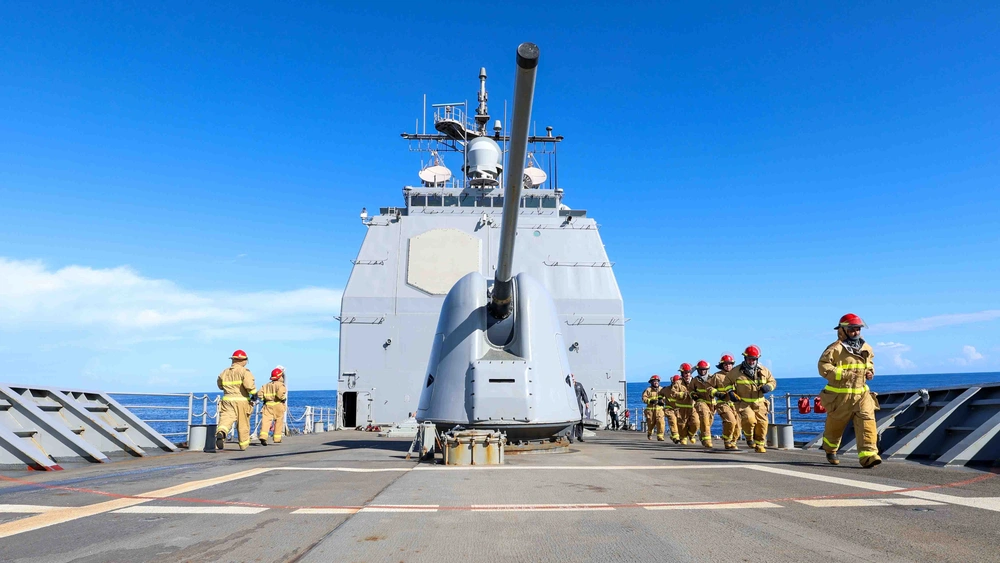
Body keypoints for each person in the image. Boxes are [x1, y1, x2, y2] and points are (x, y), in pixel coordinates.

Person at [818, 314, 881, 468]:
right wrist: (843, 375)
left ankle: (869, 456)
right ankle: (830, 450)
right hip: (840, 397)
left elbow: (870, 363)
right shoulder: (835, 349)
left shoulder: (866, 347)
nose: (856, 332)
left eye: (858, 329)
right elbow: (823, 367)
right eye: (852, 329)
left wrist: (870, 372)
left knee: (867, 422)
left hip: (862, 394)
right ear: (843, 330)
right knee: (835, 427)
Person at [724, 345, 776, 453]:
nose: (751, 361)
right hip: (744, 402)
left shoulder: (764, 370)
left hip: (760, 402)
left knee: (763, 423)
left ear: (757, 359)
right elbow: (727, 381)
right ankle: (749, 438)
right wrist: (730, 392)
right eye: (749, 359)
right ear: (745, 358)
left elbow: (772, 381)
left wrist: (768, 387)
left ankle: (760, 444)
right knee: (749, 419)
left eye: (754, 359)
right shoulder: (736, 371)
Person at [215, 349, 257, 451]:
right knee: (243, 423)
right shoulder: (244, 371)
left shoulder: (224, 372)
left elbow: (220, 386)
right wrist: (254, 394)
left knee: (226, 419)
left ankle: (221, 432)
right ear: (243, 360)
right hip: (242, 401)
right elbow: (249, 385)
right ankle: (243, 445)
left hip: (227, 400)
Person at [709, 354, 740, 450]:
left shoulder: (738, 374)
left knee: (738, 425)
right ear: (722, 365)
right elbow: (708, 387)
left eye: (730, 364)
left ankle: (733, 442)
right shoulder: (717, 376)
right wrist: (717, 393)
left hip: (736, 404)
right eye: (725, 364)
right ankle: (727, 440)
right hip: (723, 403)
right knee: (731, 421)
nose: (728, 366)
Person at [690, 360, 717, 449]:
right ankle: (707, 441)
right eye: (700, 370)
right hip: (700, 402)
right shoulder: (694, 380)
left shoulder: (713, 378)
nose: (702, 371)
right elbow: (690, 390)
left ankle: (702, 434)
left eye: (704, 370)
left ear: (707, 369)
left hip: (712, 404)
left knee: (708, 422)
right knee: (704, 417)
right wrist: (693, 394)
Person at [258, 366, 288, 446]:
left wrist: (264, 399)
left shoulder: (266, 385)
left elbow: (259, 394)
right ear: (280, 377)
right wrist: (283, 399)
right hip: (278, 405)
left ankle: (263, 436)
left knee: (266, 421)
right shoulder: (281, 385)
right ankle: (277, 438)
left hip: (267, 405)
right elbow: (280, 395)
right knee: (278, 421)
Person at [671, 364, 699, 444]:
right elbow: (673, 393)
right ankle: (683, 437)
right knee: (682, 425)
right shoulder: (678, 383)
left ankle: (691, 434)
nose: (687, 375)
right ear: (682, 374)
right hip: (681, 408)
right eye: (685, 373)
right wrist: (683, 394)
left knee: (696, 422)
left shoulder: (695, 381)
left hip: (693, 407)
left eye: (688, 372)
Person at [641, 375, 665, 440]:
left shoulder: (662, 389)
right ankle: (649, 433)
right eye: (654, 381)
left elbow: (666, 397)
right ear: (651, 382)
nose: (656, 382)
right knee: (650, 423)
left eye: (657, 381)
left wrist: (662, 401)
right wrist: (650, 401)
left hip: (659, 410)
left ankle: (660, 436)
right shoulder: (648, 390)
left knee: (661, 423)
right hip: (650, 411)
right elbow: (643, 398)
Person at [571, 374, 589, 443]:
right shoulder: (568, 386)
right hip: (572, 407)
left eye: (573, 379)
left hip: (579, 407)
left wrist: (586, 402)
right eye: (571, 379)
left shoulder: (579, 385)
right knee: (571, 422)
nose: (573, 380)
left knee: (580, 422)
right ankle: (571, 438)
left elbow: (583, 393)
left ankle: (579, 436)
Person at [664, 375, 681, 443]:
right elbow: (660, 394)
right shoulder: (666, 389)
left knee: (681, 424)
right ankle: (675, 437)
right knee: (673, 421)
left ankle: (677, 435)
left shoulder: (683, 389)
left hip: (679, 409)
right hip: (670, 409)